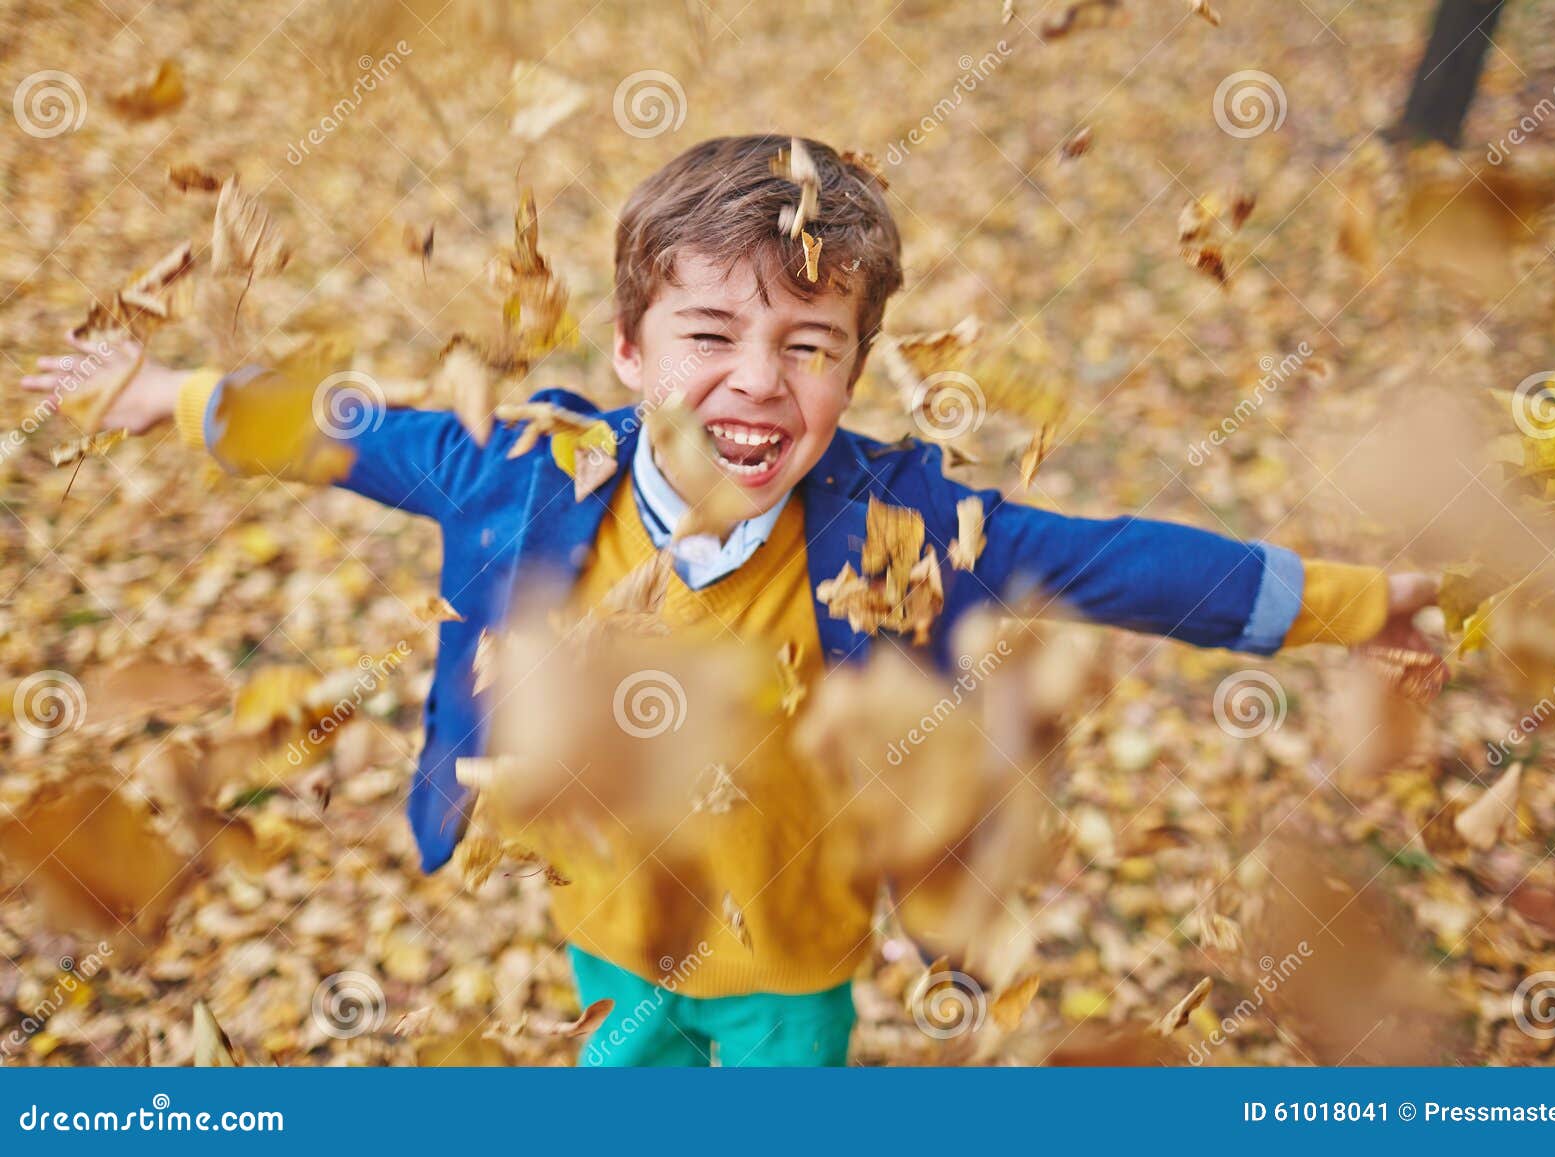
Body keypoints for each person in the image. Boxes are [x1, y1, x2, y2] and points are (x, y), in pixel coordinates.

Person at [21, 134, 1440, 1066]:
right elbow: (354, 431)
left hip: (794, 951)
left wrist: (1357, 602)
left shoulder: (908, 527)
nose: (758, 379)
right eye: (710, 334)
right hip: (609, 929)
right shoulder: (525, 473)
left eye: (808, 345)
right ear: (631, 350)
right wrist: (168, 392)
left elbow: (1119, 559)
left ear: (852, 372)